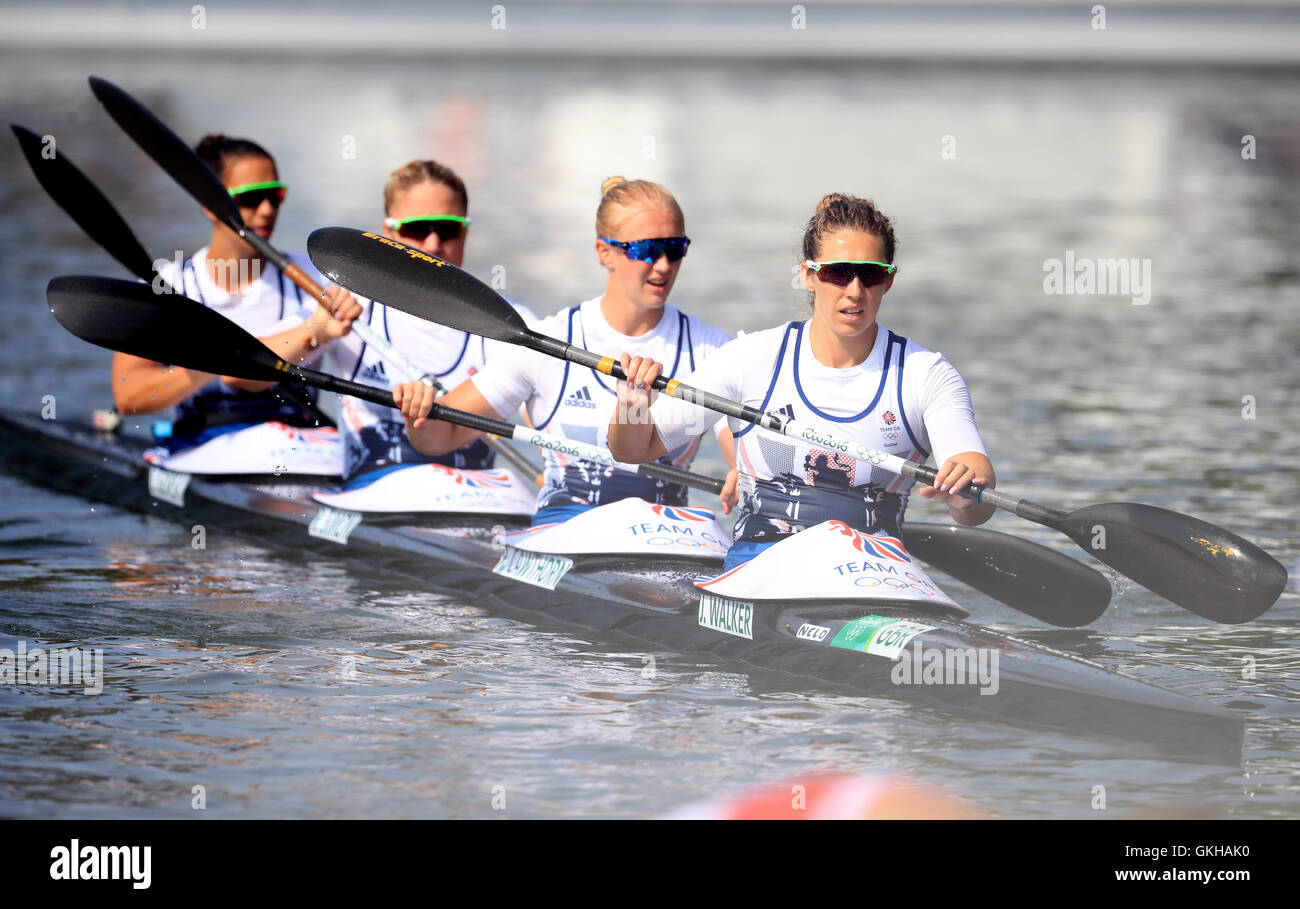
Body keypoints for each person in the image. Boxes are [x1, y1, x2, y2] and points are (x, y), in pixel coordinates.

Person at [607, 193, 995, 570]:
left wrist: (964, 496)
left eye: (872, 275)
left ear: (889, 281)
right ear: (809, 276)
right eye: (838, 274)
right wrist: (631, 407)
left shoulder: (927, 375)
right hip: (761, 575)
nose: (855, 291)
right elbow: (635, 449)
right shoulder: (750, 360)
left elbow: (975, 498)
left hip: (872, 577)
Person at [391, 176, 737, 524]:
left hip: (666, 538)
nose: (663, 264)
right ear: (605, 252)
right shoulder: (545, 342)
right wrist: (418, 414)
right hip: (565, 532)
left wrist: (743, 471)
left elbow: (740, 449)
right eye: (647, 250)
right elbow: (441, 437)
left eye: (675, 248)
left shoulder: (711, 350)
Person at [110, 134, 361, 443]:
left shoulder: (317, 279)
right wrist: (206, 367)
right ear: (209, 206)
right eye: (251, 198)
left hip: (301, 442)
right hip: (200, 441)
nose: (268, 210)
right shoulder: (169, 285)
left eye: (275, 195)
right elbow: (128, 396)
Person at [319, 159, 533, 477]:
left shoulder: (509, 323)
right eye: (417, 230)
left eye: (447, 229)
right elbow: (242, 377)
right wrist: (316, 331)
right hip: (373, 494)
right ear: (387, 232)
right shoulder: (345, 303)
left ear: (465, 231)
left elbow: (547, 423)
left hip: (473, 501)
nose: (433, 245)